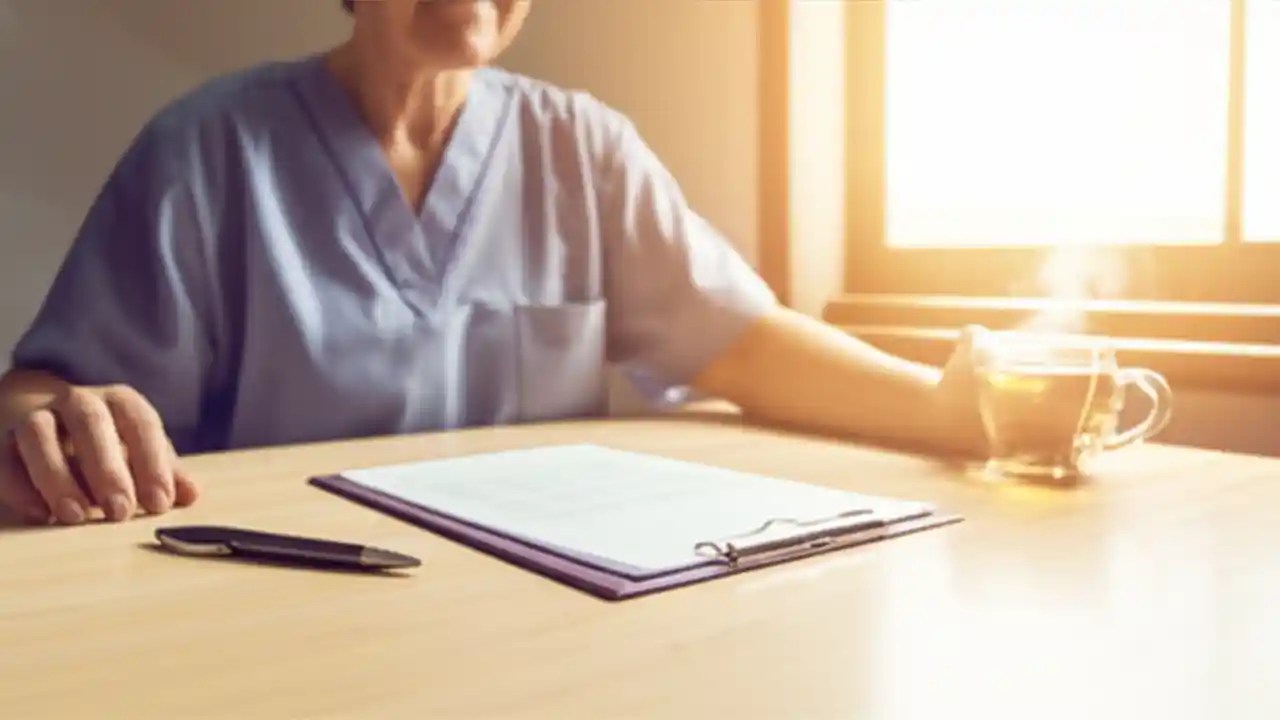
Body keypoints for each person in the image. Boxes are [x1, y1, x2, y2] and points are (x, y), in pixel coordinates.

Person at [0, 0, 985, 527]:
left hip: (548, 611)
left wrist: (947, 407)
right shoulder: (208, 149)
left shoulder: (584, 147)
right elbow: (53, 396)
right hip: (283, 601)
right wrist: (42, 425)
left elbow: (738, 344)